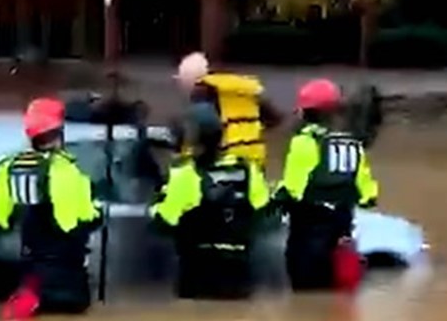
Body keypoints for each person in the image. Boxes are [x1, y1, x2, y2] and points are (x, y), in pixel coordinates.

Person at [0, 97, 101, 318]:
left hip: (32, 268)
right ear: (59, 132)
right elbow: (76, 220)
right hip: (66, 270)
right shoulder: (66, 170)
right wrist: (97, 214)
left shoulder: (10, 167)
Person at [150, 103, 271, 300]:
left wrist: (158, 197)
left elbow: (163, 221)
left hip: (198, 275)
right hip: (240, 276)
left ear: (195, 140)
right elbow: (266, 214)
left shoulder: (186, 174)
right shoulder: (247, 170)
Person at [273, 79, 380, 291]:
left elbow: (294, 187)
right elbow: (367, 194)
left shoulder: (304, 141)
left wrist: (274, 200)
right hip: (341, 226)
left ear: (304, 112)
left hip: (309, 227)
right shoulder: (352, 144)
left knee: (305, 288)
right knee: (334, 284)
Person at [172, 51, 283, 169]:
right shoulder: (245, 88)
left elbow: (201, 126)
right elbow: (275, 119)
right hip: (253, 157)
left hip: (224, 158)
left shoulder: (202, 91)